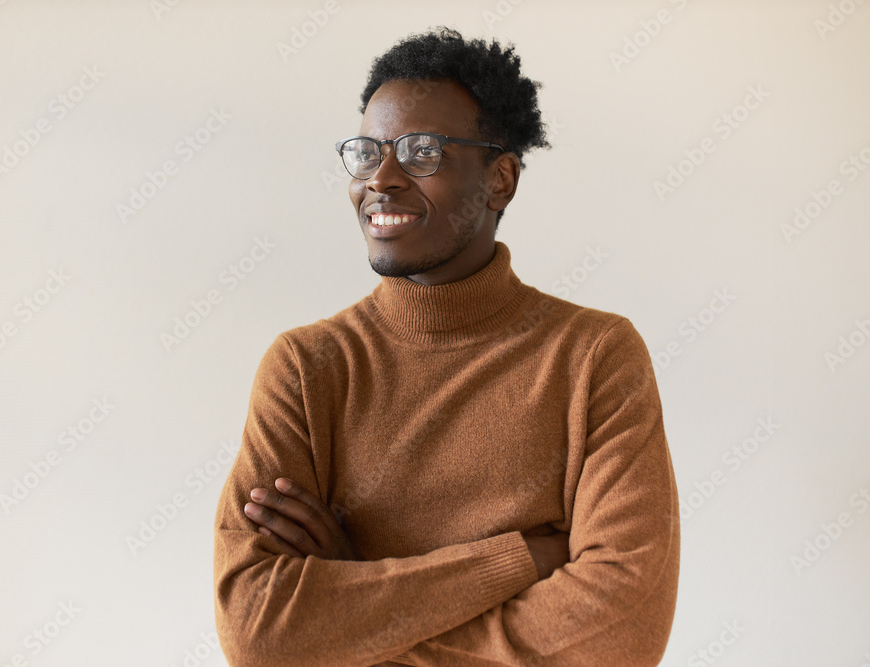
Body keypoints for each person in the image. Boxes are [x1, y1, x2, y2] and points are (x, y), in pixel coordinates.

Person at [213, 26, 679, 667]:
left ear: (501, 180)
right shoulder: (307, 368)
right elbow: (257, 632)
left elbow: (621, 633)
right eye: (368, 151)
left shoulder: (594, 357)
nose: (383, 178)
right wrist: (520, 560)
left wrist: (355, 615)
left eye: (422, 151)